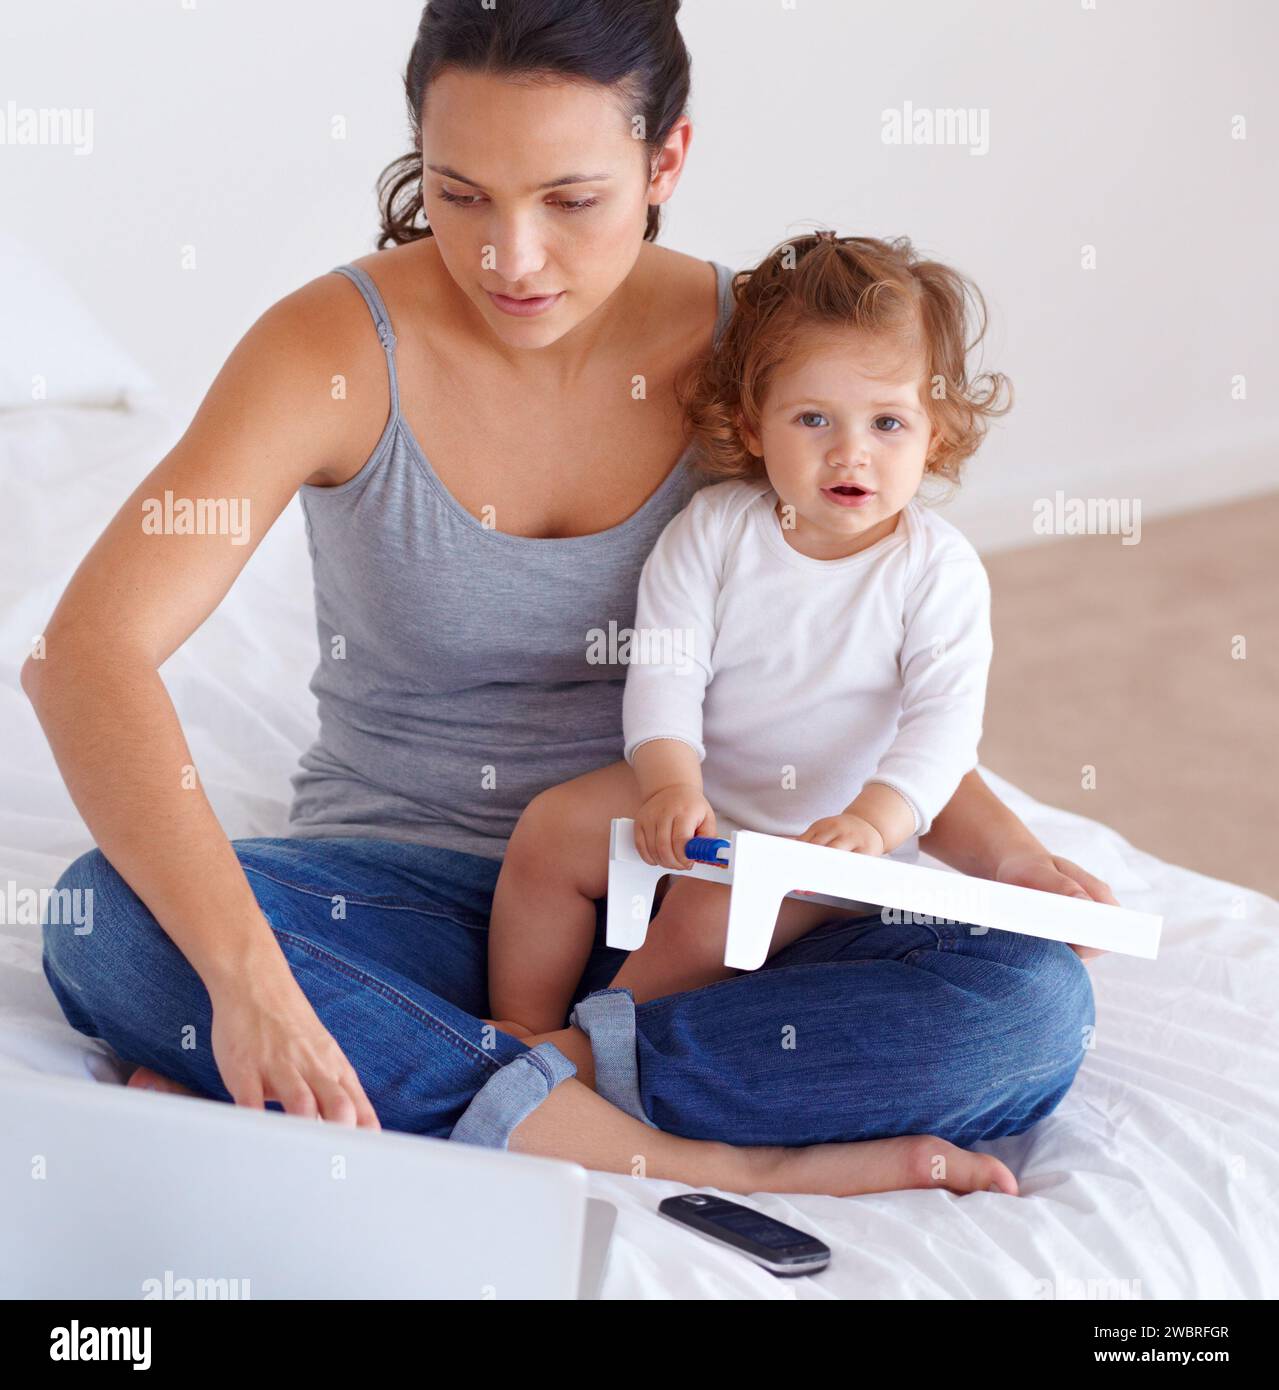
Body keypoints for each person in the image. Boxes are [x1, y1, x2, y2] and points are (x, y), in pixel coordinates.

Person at [29, 0, 1109, 1200]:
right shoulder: (331, 349)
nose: (510, 258)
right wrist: (248, 986)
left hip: (705, 902)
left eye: (571, 199)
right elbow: (86, 657)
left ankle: (443, 1089)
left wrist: (1007, 854)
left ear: (666, 163)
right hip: (409, 904)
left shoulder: (765, 361)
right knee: (104, 923)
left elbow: (849, 658)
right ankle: (710, 1158)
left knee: (1026, 1011)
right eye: (462, 193)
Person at [486, 231, 1009, 1034]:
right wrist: (668, 784)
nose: (849, 451)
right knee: (548, 832)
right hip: (709, 788)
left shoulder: (935, 571)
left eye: (887, 424)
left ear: (934, 434)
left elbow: (943, 729)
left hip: (827, 833)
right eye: (812, 417)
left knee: (706, 914)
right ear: (754, 425)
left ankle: (584, 1053)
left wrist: (873, 822)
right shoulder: (715, 529)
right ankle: (515, 1029)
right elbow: (665, 670)